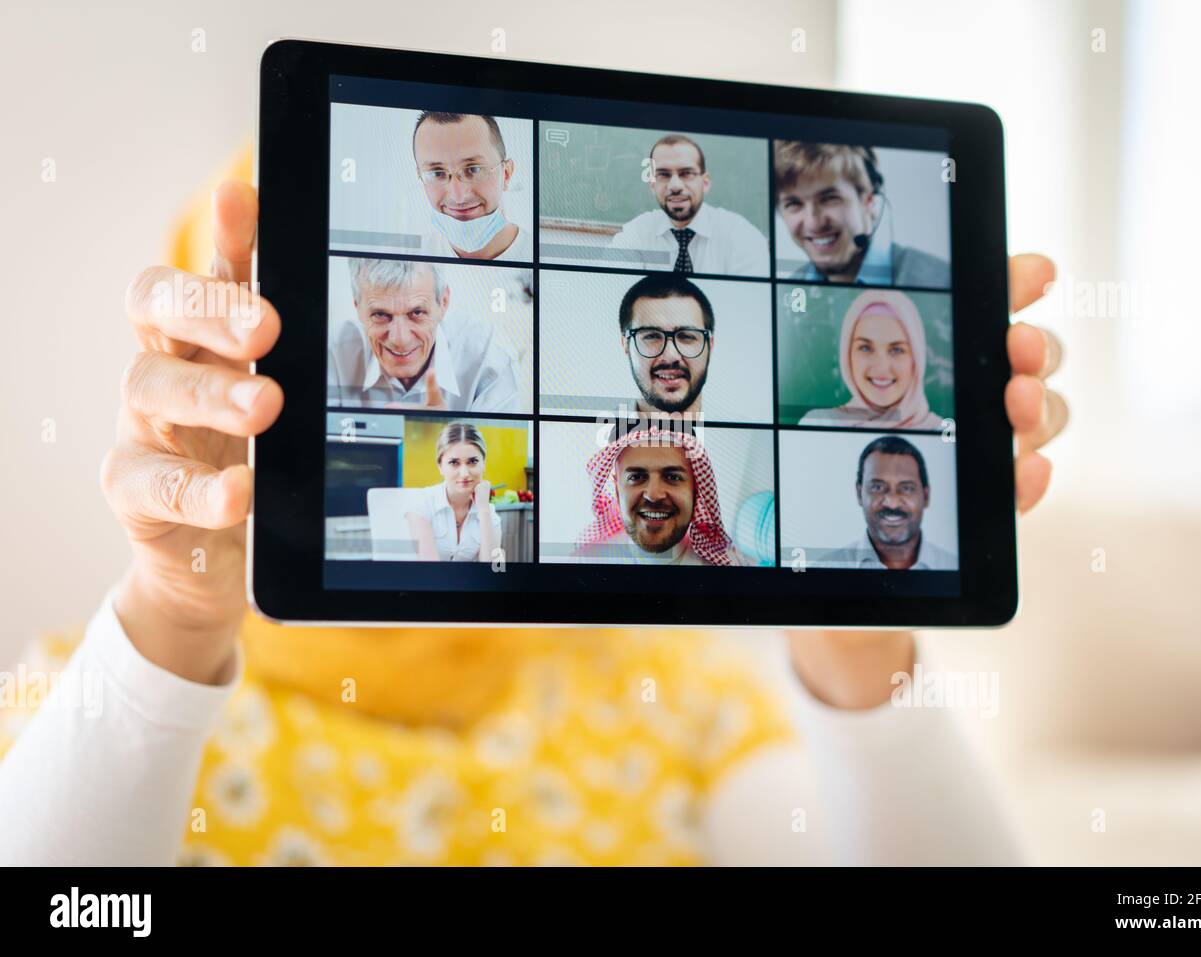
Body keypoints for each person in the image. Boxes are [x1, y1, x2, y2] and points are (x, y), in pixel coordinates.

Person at [0, 152, 1068, 865]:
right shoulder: (94, 696)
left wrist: (858, 641)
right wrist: (171, 629)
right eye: (266, 340)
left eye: (418, 306)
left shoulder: (676, 698)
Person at [327, 257, 520, 411]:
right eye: (380, 314)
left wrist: (448, 436)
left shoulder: (490, 361)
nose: (400, 340)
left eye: (417, 313)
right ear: (357, 308)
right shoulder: (333, 353)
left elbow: (502, 459)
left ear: (443, 302)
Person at [774, 140, 950, 288]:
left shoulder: (937, 279)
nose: (813, 223)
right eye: (793, 204)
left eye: (829, 198)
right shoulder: (793, 287)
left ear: (868, 201)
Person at [573, 426, 748, 566]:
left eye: (673, 477)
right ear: (617, 490)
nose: (654, 495)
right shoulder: (585, 562)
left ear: (696, 489)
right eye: (636, 477)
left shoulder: (731, 569)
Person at [606, 134, 769, 277]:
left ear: (705, 183)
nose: (675, 185)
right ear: (652, 185)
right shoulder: (637, 233)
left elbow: (752, 302)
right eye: (663, 174)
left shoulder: (740, 235)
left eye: (686, 173)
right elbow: (613, 288)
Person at [798, 289, 944, 429]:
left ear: (916, 360)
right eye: (865, 348)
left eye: (896, 350)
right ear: (847, 356)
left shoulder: (942, 429)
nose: (881, 367)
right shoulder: (820, 422)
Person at [821, 436, 957, 571]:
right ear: (859, 493)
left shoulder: (953, 565)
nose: (892, 503)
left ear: (926, 496)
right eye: (877, 487)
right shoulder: (823, 569)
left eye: (906, 488)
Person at [413, 112, 532, 262]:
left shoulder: (536, 254)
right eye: (437, 173)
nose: (458, 197)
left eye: (473, 169)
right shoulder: (411, 258)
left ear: (506, 174)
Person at [618, 273, 715, 424]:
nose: (670, 355)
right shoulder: (590, 440)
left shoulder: (753, 443)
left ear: (710, 345)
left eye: (686, 336)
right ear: (626, 344)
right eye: (652, 336)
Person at [403, 423, 501, 563]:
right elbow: (430, 572)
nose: (464, 473)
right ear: (440, 466)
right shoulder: (422, 503)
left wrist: (484, 510)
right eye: (454, 463)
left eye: (472, 461)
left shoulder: (489, 514)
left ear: (484, 463)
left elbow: (494, 570)